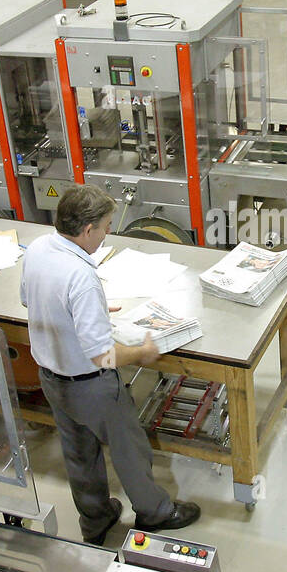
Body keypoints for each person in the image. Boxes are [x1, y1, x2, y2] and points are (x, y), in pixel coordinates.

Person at [20, 185, 200, 544]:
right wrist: (142, 352)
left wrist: (89, 311)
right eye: (105, 227)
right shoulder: (81, 276)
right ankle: (155, 512)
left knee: (78, 453)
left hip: (52, 378)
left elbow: (30, 299)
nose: (107, 234)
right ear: (88, 230)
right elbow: (103, 355)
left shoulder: (39, 248)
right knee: (129, 450)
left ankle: (96, 520)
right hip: (92, 385)